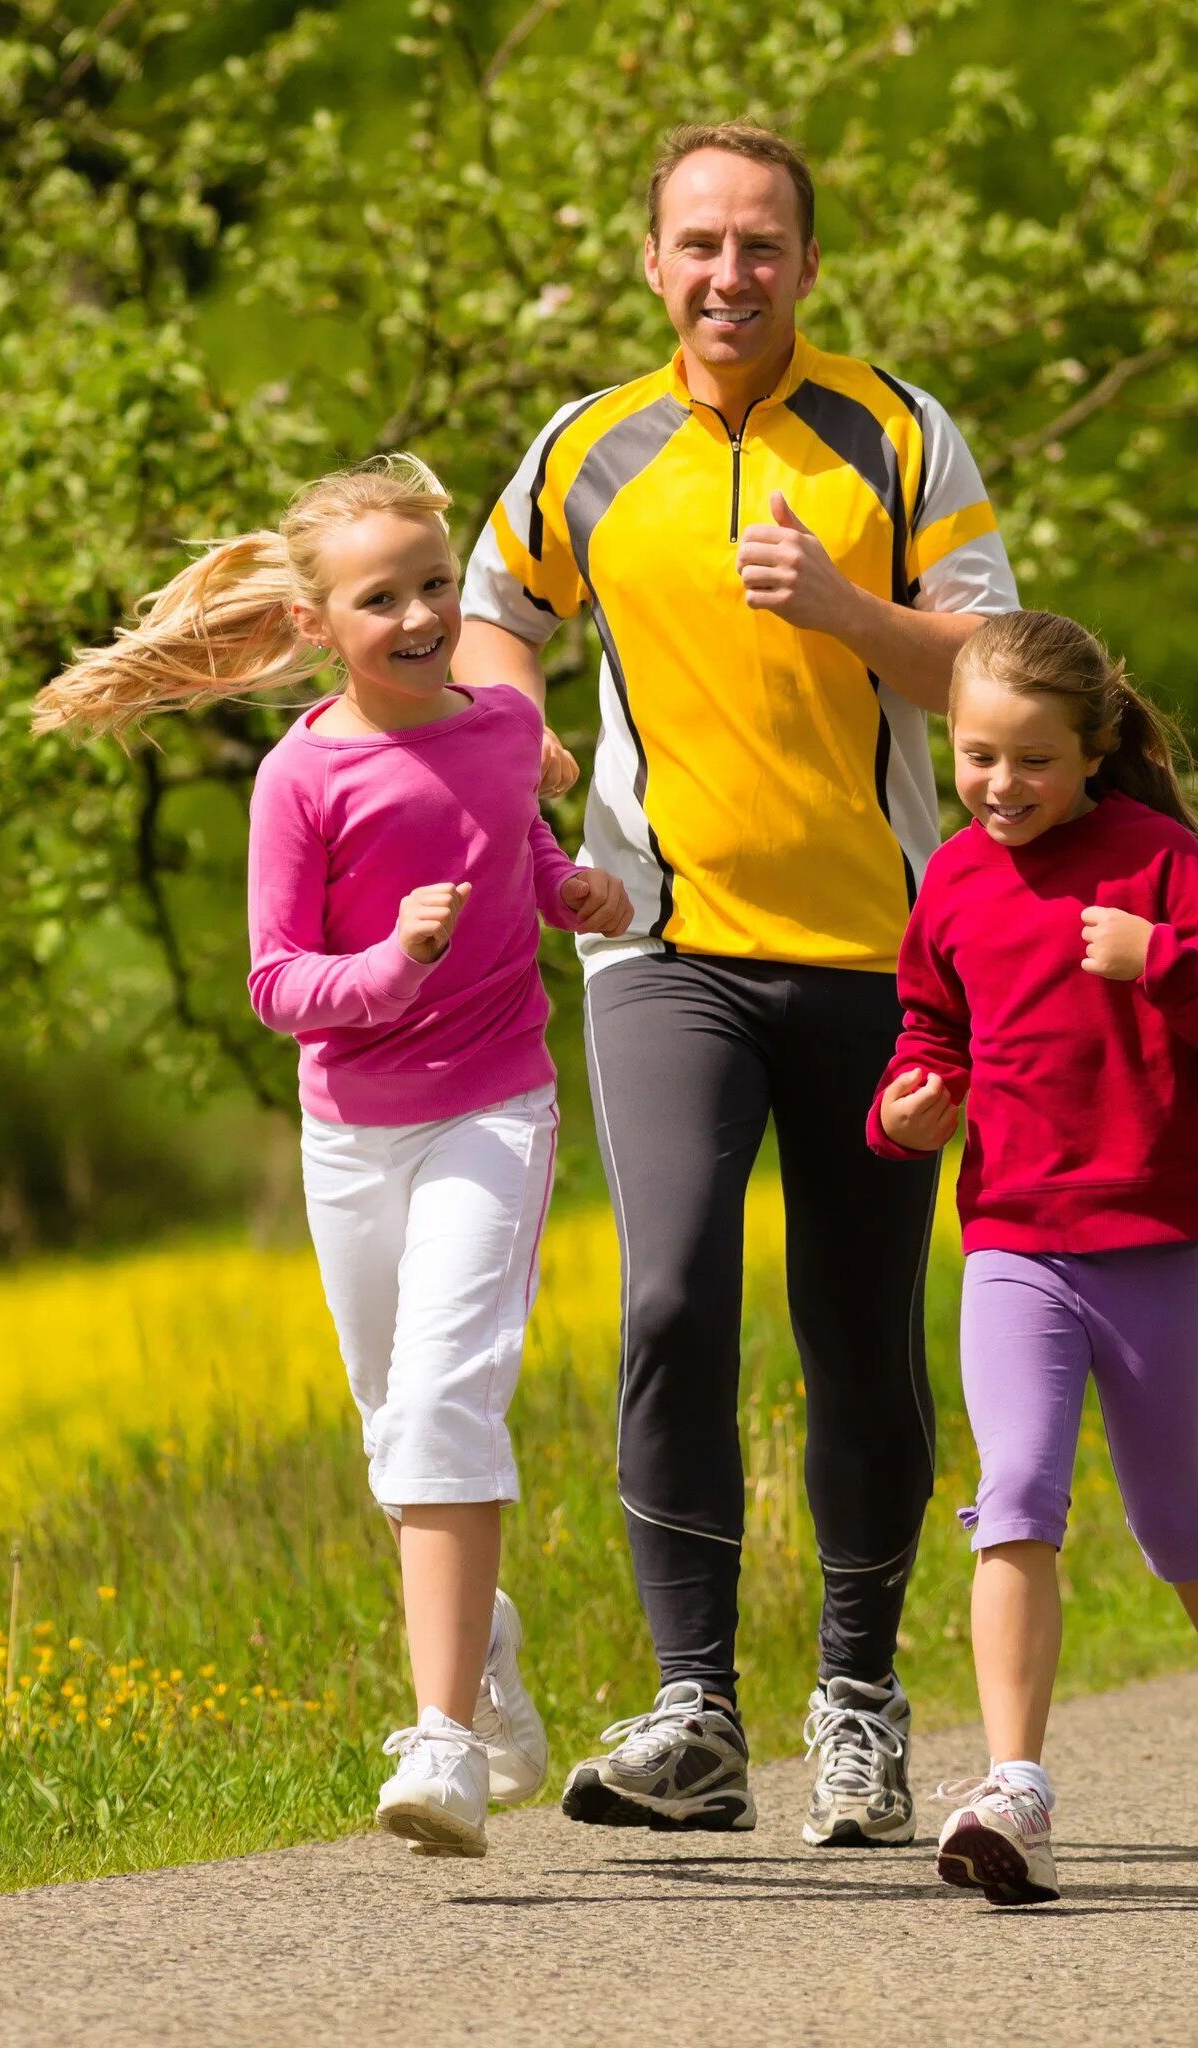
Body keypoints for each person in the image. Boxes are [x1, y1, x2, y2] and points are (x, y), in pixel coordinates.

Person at [455, 123, 1018, 1848]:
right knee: (674, 1298)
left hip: (881, 954)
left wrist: (855, 609)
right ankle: (697, 1707)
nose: (728, 273)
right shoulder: (587, 445)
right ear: (651, 262)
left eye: (761, 245)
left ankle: (857, 1697)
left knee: (860, 1333)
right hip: (664, 943)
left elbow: (1002, 674)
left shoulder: (899, 433)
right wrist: (518, 727)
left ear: (808, 267)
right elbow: (491, 613)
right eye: (698, 243)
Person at [34, 454, 634, 1858]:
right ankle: (481, 1644)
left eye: (438, 585)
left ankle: (443, 1741)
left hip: (496, 1110)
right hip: (355, 1137)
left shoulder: (498, 730)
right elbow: (278, 985)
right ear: (319, 624)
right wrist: (388, 965)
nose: (424, 615)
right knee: (391, 1424)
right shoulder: (299, 779)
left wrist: (571, 890)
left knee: (441, 1400)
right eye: (386, 598)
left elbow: (521, 856)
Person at [868, 609, 1198, 1905]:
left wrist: (1158, 958)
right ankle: (1015, 1785)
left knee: (1176, 1520)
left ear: (1092, 751)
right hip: (1013, 1233)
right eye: (976, 758)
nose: (1002, 787)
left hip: (1154, 1236)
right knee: (1013, 1494)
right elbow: (929, 1032)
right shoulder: (950, 877)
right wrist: (905, 1108)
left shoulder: (1158, 857)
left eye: (1033, 761)